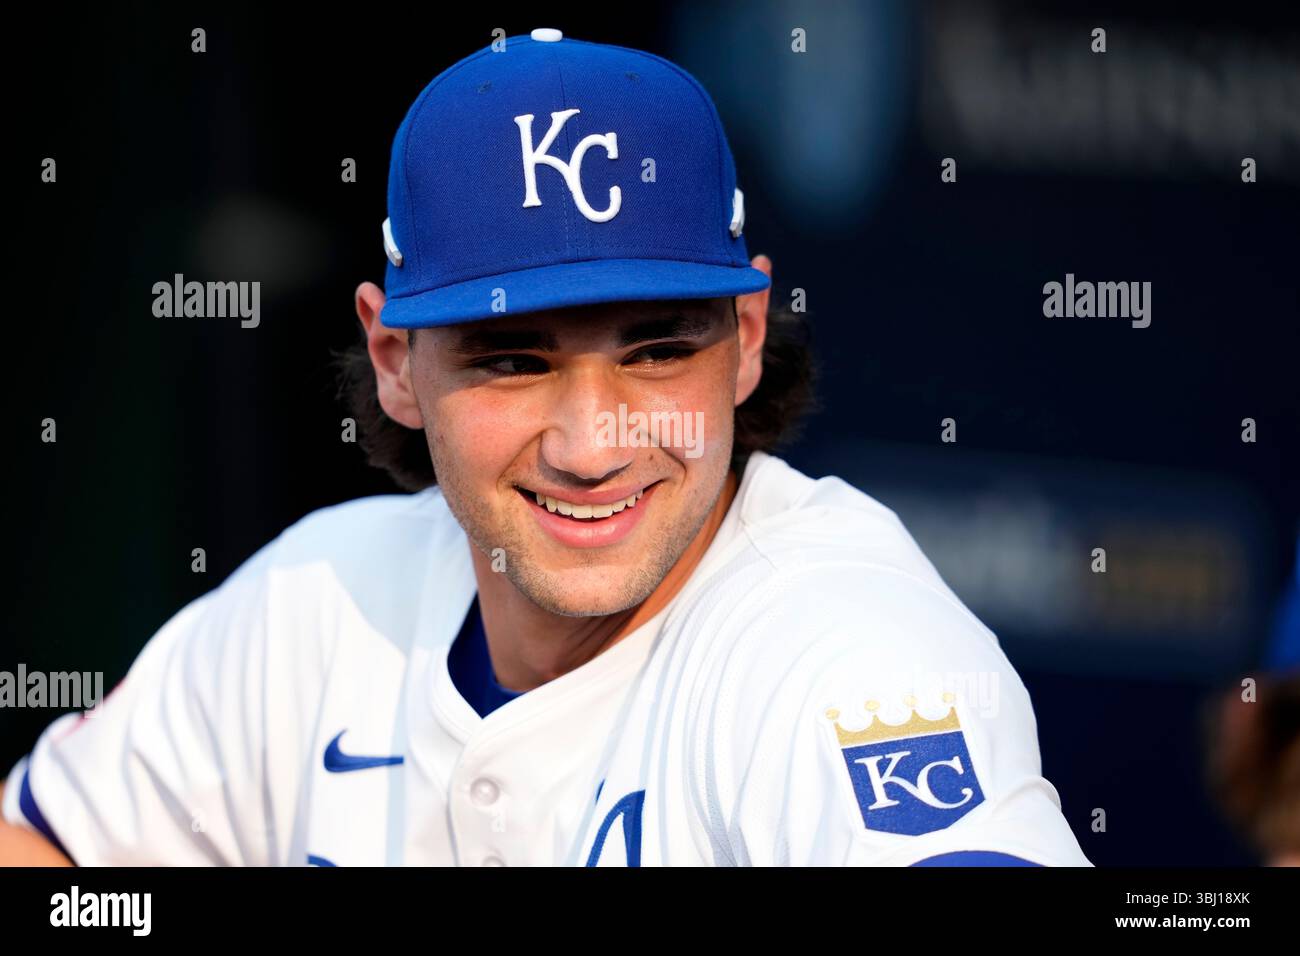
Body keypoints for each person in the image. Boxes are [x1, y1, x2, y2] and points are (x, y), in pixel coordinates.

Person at [0, 29, 1089, 866]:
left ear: (746, 337)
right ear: (392, 359)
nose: (590, 442)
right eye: (512, 360)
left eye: (656, 350)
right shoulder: (319, 597)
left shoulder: (839, 644)